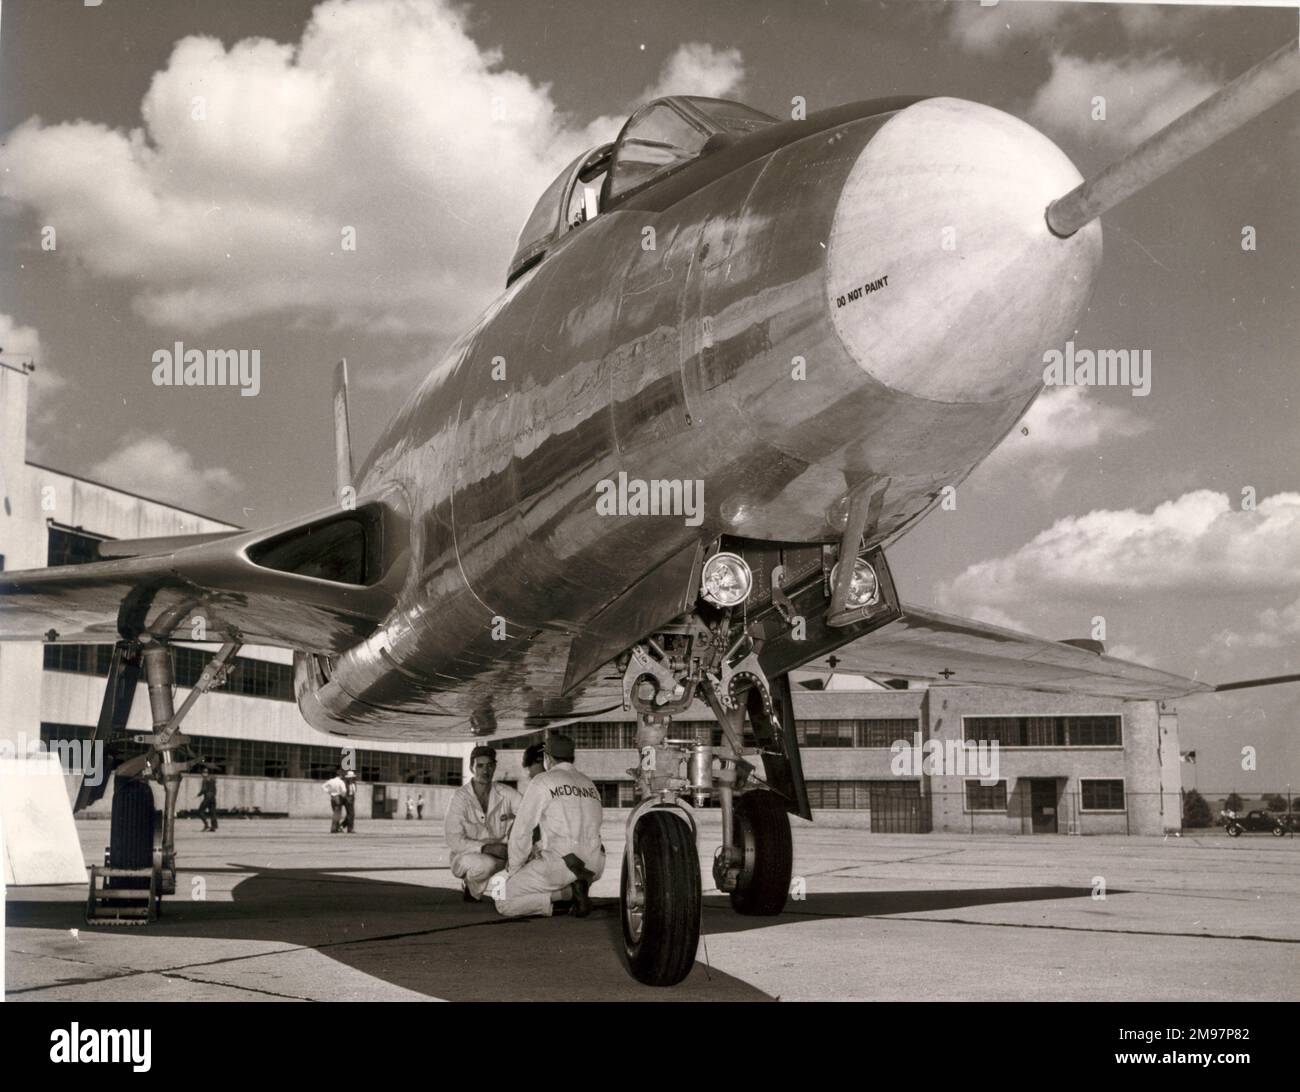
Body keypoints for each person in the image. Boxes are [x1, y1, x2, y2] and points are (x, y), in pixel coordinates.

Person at [493, 734, 604, 919]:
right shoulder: (589, 783)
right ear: (572, 758)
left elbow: (522, 830)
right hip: (593, 866)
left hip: (561, 865)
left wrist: (515, 869)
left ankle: (565, 896)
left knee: (503, 899)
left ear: (547, 758)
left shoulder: (543, 780)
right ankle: (576, 890)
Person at [445, 745, 522, 902]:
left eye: (489, 765)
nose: (485, 771)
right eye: (480, 766)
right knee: (485, 864)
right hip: (467, 855)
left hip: (502, 852)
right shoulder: (460, 797)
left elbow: (528, 812)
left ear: (495, 767)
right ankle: (471, 888)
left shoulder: (506, 793)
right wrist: (486, 848)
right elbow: (453, 840)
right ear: (471, 767)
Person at [197, 767, 218, 832]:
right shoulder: (212, 780)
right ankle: (213, 827)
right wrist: (213, 795)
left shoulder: (205, 780)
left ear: (204, 773)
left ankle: (206, 825)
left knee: (200, 811)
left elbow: (204, 789)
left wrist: (199, 794)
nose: (202, 775)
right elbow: (215, 790)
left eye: (202, 773)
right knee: (212, 812)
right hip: (213, 798)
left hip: (207, 798)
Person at [341, 769, 358, 833]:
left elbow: (354, 791)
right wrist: (347, 798)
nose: (351, 778)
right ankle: (350, 828)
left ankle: (341, 826)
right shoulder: (345, 783)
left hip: (352, 798)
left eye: (352, 777)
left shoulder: (354, 783)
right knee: (351, 814)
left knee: (350, 814)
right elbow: (344, 792)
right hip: (347, 799)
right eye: (350, 777)